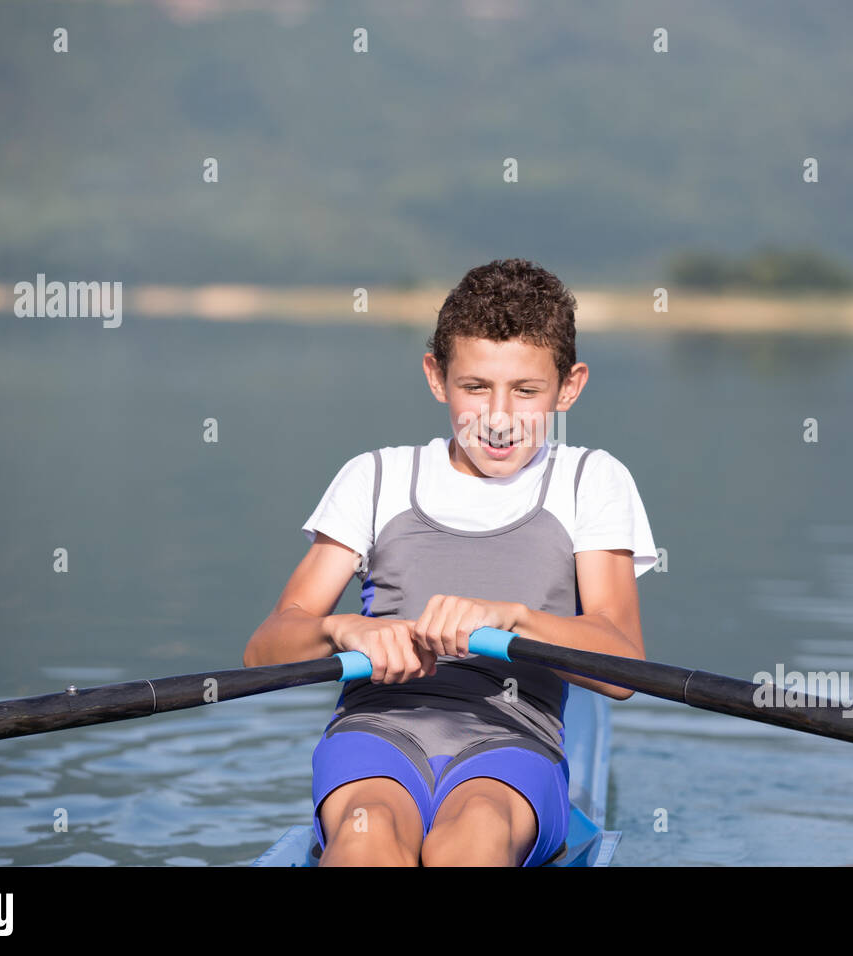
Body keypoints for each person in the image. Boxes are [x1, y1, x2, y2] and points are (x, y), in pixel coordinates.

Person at [243, 258, 657, 866]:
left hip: (513, 742)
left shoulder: (590, 480)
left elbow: (620, 670)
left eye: (526, 391)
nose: (497, 417)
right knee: (366, 836)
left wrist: (513, 620)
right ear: (437, 377)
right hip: (375, 735)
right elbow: (264, 651)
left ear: (569, 387)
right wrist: (339, 628)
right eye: (474, 388)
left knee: (476, 834)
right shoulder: (375, 477)